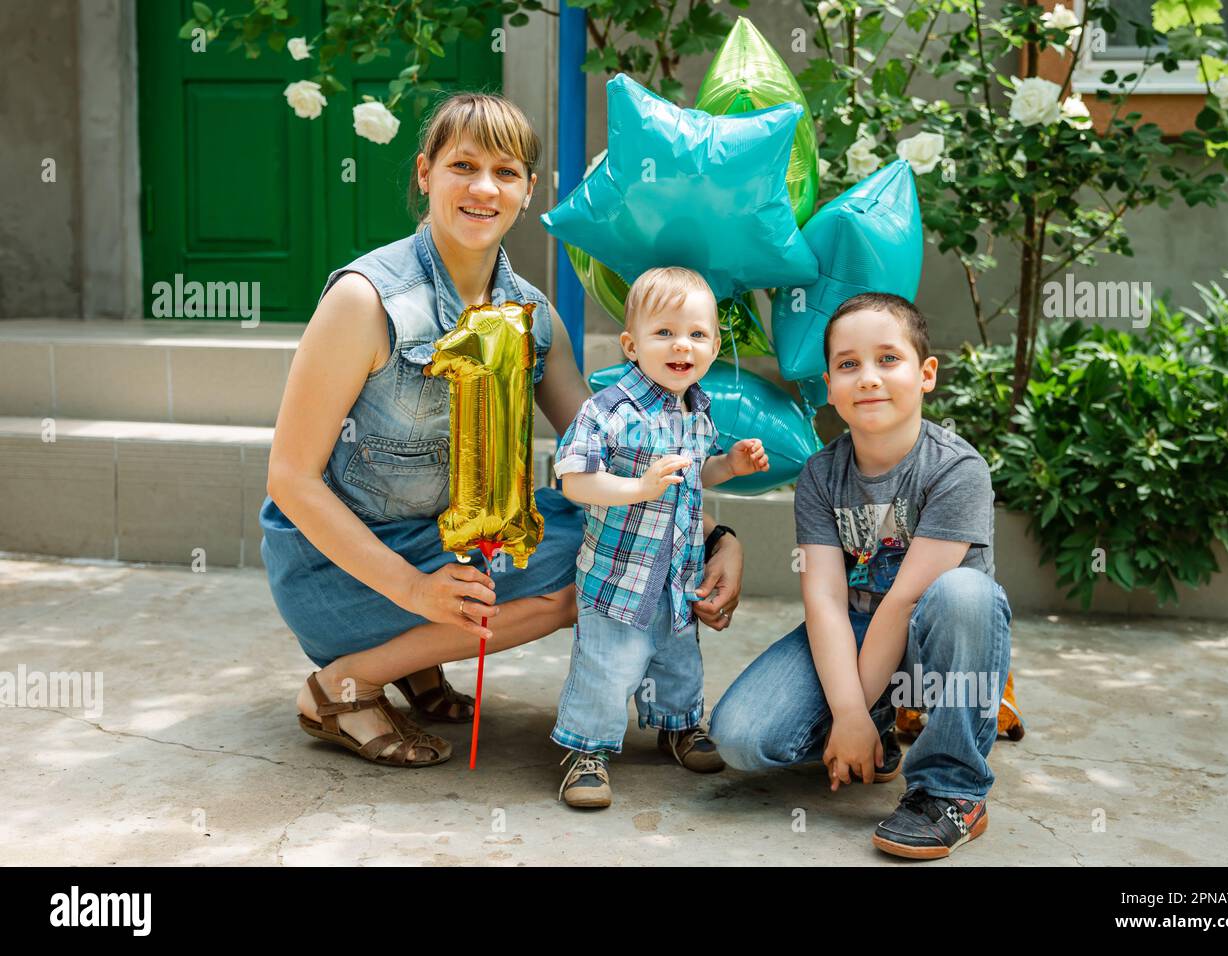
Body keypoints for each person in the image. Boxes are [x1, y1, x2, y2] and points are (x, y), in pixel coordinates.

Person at [260, 94, 746, 768]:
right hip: (340, 570)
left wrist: (709, 536)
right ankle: (343, 687)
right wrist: (414, 588)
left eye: (505, 172)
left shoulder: (533, 317)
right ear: (425, 173)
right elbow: (289, 480)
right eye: (463, 165)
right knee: (583, 581)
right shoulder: (365, 302)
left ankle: (418, 663)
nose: (484, 187)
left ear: (529, 190)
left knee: (625, 556)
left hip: (455, 542)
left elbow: (613, 453)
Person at [708, 292, 1012, 859]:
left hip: (931, 632)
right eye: (848, 364)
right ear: (829, 384)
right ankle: (876, 721)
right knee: (741, 739)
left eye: (888, 359)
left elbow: (904, 600)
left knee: (965, 593)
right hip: (854, 628)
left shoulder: (956, 468)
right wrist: (851, 714)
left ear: (926, 375)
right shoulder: (823, 475)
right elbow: (823, 601)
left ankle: (951, 790)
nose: (867, 377)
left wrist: (842, 713)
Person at [549, 267, 769, 807]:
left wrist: (728, 467)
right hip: (618, 576)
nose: (681, 346)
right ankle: (587, 752)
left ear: (715, 346)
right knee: (608, 665)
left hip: (676, 574)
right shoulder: (608, 411)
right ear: (631, 344)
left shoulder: (699, 411)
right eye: (664, 333)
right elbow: (574, 482)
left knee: (678, 658)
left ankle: (678, 725)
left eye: (697, 334)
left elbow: (695, 476)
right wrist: (638, 487)